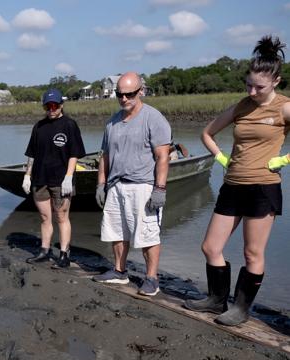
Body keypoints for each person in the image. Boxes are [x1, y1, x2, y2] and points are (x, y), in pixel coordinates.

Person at [183, 36, 289, 326]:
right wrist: (221, 158)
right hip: (232, 185)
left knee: (252, 252)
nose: (253, 91)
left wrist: (284, 160)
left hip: (263, 187)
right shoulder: (242, 106)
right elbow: (207, 133)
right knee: (210, 247)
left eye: (259, 87)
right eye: (248, 85)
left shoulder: (283, 108)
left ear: (276, 81)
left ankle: (241, 309)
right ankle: (217, 300)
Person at [93, 72, 171, 296]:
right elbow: (105, 156)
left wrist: (160, 188)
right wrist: (101, 184)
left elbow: (162, 157)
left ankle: (151, 278)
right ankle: (119, 271)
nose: (124, 99)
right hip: (116, 185)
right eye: (120, 94)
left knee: (148, 234)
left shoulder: (153, 118)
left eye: (129, 94)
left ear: (141, 92)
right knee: (116, 231)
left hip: (143, 186)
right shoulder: (113, 121)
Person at [21, 88, 85, 268]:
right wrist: (27, 175)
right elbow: (31, 154)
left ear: (61, 105)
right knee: (44, 217)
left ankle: (64, 254)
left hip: (61, 180)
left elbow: (74, 154)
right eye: (48, 106)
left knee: (62, 216)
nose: (51, 109)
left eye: (55, 105)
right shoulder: (38, 126)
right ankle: (44, 251)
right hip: (40, 179)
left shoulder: (69, 125)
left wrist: (69, 176)